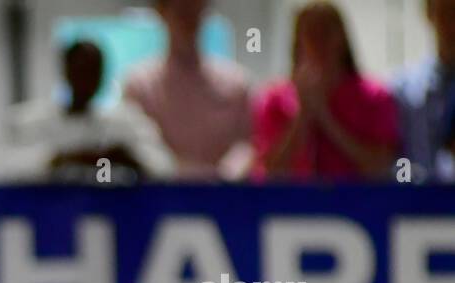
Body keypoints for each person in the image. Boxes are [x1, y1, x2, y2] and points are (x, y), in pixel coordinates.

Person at [252, 2, 399, 180]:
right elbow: (270, 171)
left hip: (356, 204)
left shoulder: (375, 97)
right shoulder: (275, 99)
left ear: (342, 38)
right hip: (292, 205)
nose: (319, 41)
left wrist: (325, 117)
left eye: (326, 32)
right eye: (311, 33)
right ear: (298, 41)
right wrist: (303, 116)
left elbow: (381, 167)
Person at [1, 40, 173, 182]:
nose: (85, 80)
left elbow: (164, 167)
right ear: (66, 72)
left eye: (93, 72)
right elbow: (6, 169)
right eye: (80, 71)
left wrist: (127, 158)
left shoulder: (125, 122)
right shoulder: (31, 120)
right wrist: (64, 158)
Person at [123, 0, 252, 179]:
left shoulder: (236, 85)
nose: (188, 16)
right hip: (162, 202)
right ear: (162, 11)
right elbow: (139, 149)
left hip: (223, 201)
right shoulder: (139, 88)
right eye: (180, 7)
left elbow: (246, 144)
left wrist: (225, 176)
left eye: (194, 5)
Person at [392, 0, 455, 181]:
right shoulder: (404, 90)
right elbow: (393, 161)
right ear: (429, 13)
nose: (452, 23)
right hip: (419, 203)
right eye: (445, 12)